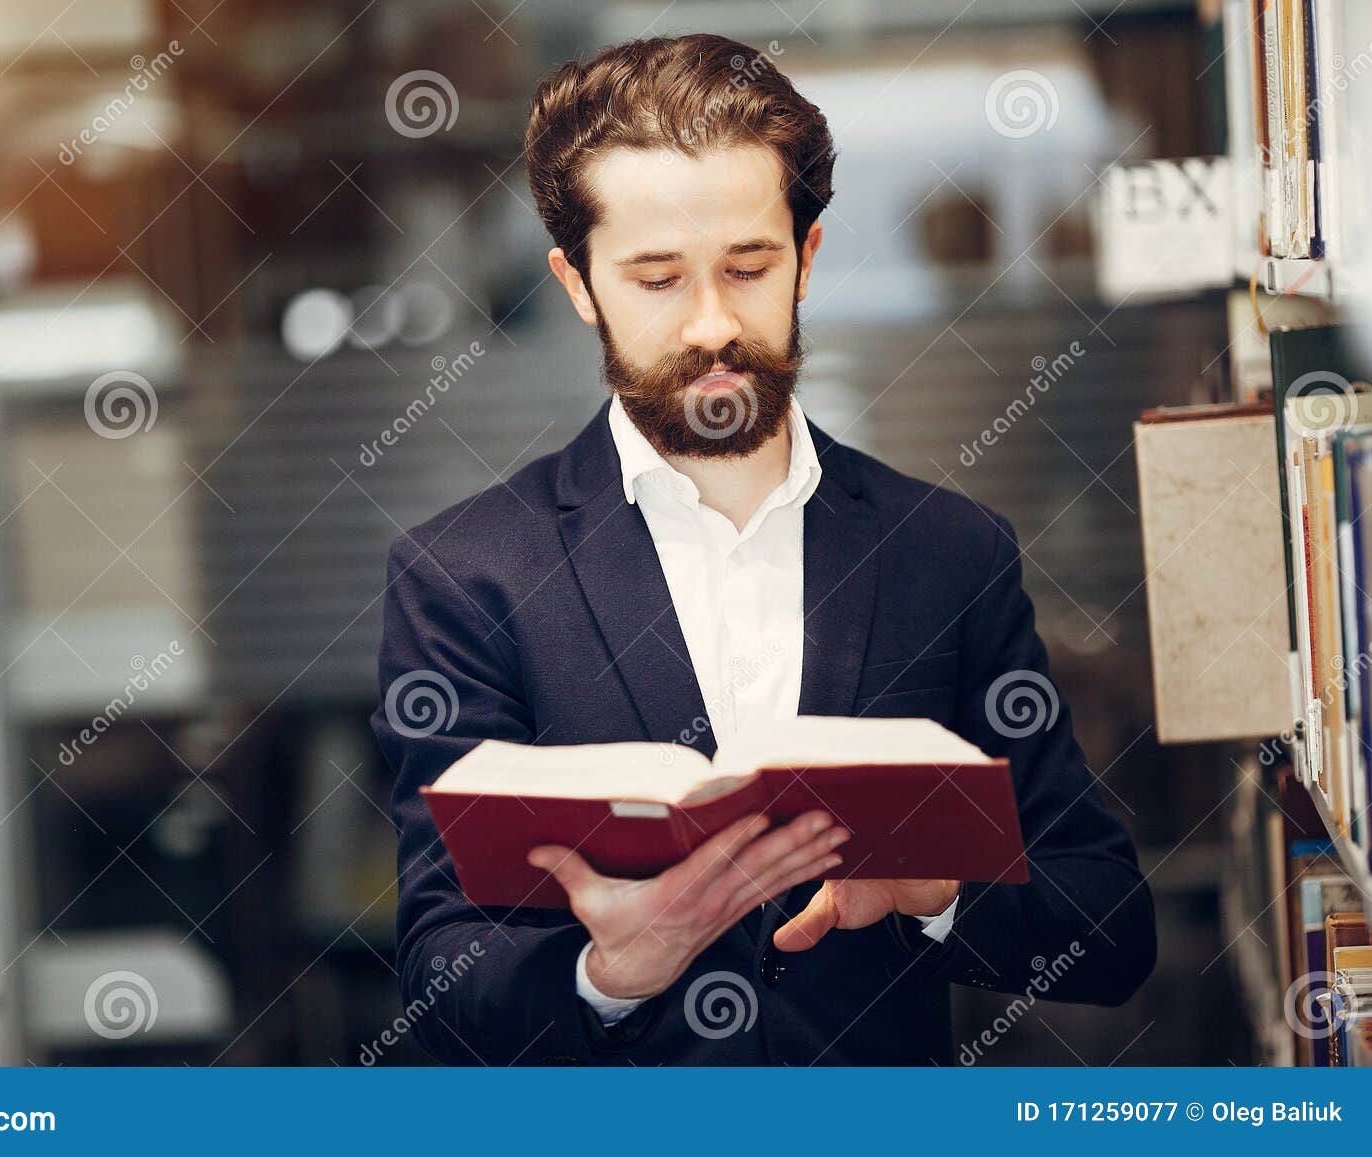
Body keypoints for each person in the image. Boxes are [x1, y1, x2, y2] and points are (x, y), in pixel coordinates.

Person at [370, 32, 1154, 1065]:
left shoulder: (947, 552)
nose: (710, 324)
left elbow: (1109, 925)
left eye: (747, 267)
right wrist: (606, 972)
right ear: (577, 284)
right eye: (656, 279)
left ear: (806, 258)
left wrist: (938, 897)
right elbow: (439, 971)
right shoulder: (464, 577)